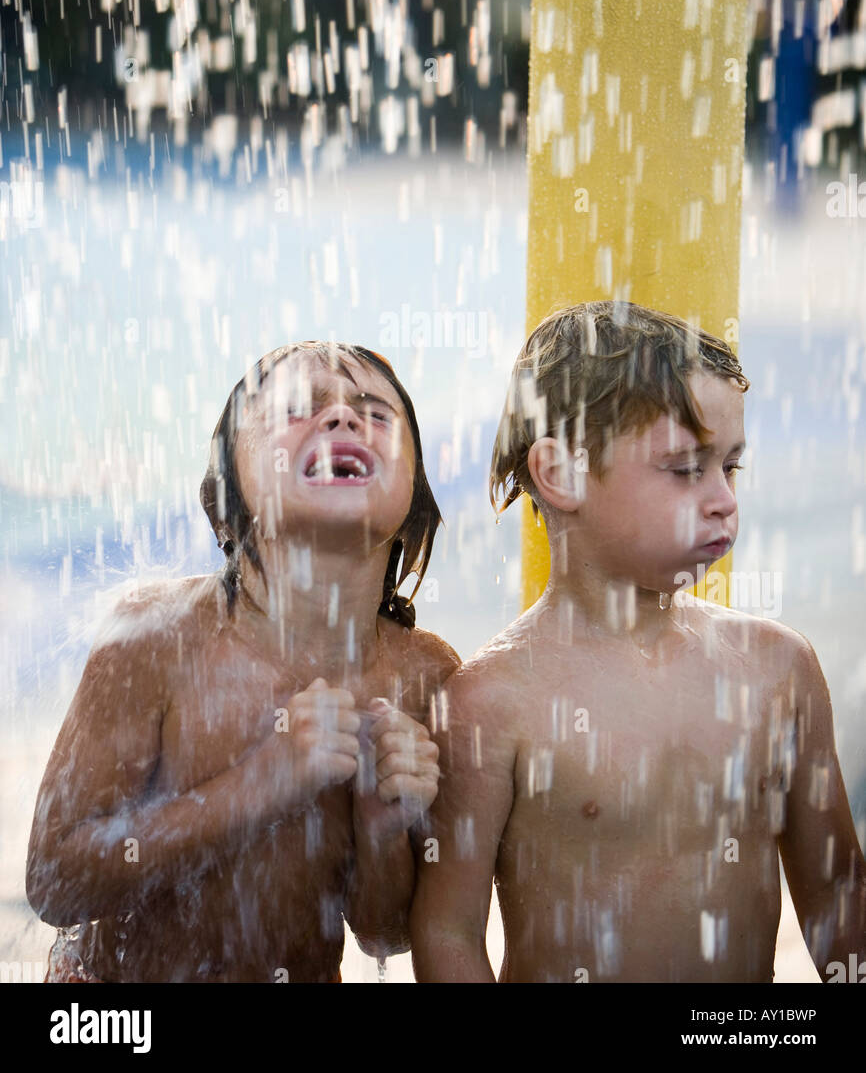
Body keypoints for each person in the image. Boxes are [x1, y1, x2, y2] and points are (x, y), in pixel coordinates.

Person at [410, 301, 866, 982]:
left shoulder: (777, 669)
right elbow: (447, 931)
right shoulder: (492, 702)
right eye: (685, 470)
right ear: (559, 474)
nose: (723, 500)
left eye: (730, 468)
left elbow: (837, 895)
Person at [28, 340, 459, 982]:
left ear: (414, 502)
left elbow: (383, 932)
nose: (343, 417)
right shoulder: (154, 639)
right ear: (228, 498)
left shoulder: (424, 675)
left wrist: (380, 827)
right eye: (296, 408)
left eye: (374, 412)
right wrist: (262, 782)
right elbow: (55, 883)